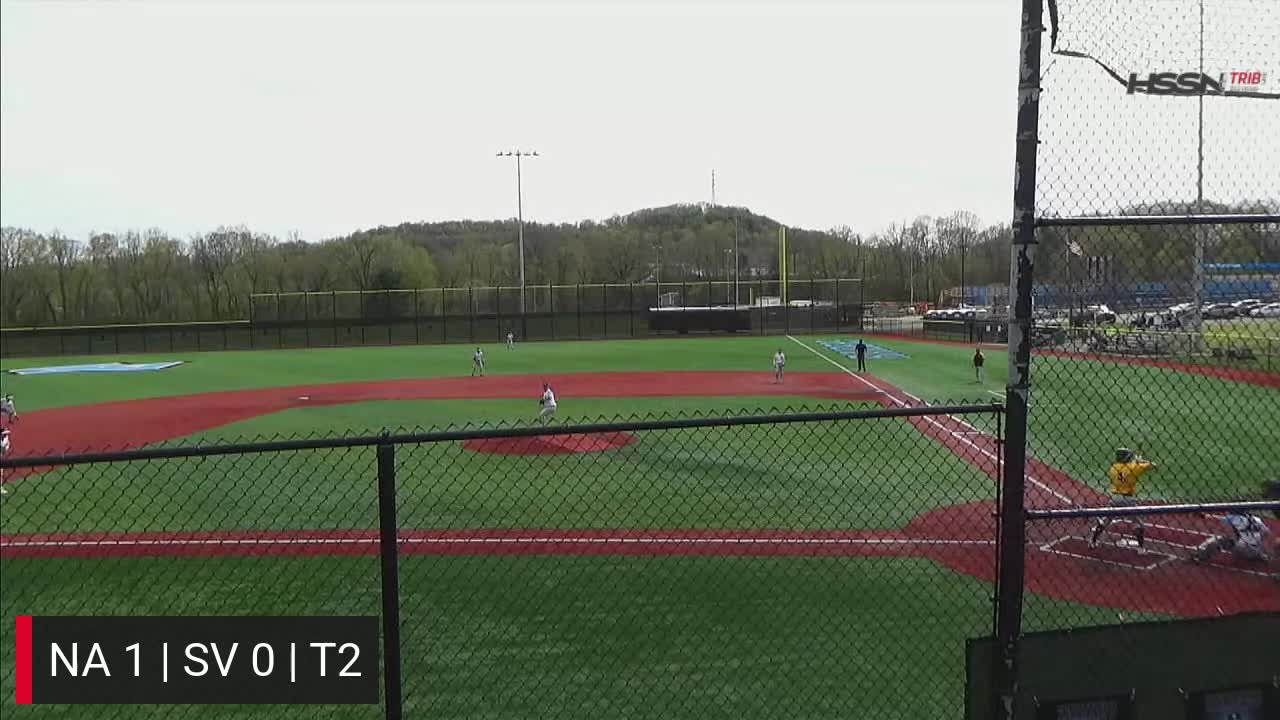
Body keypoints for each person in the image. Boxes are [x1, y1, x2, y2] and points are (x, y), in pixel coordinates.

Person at [1089, 448, 1157, 549]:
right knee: (1137, 523)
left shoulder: (1113, 468)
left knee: (1106, 519)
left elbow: (1125, 469)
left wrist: (1136, 462)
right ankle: (1141, 548)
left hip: (1115, 498)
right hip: (1129, 500)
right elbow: (1153, 465)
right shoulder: (1135, 467)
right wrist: (1142, 461)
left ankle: (1093, 542)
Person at [1192, 512, 1271, 565]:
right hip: (1257, 550)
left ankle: (1200, 556)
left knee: (1218, 540)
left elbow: (1217, 518)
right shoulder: (1256, 519)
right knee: (1244, 537)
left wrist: (1205, 516)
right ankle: (1260, 555)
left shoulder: (1235, 519)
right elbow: (1267, 533)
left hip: (1243, 550)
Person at [0, 427, 10, 495]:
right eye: (5, 433)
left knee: (1, 473)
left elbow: (5, 449)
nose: (6, 435)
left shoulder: (6, 440)